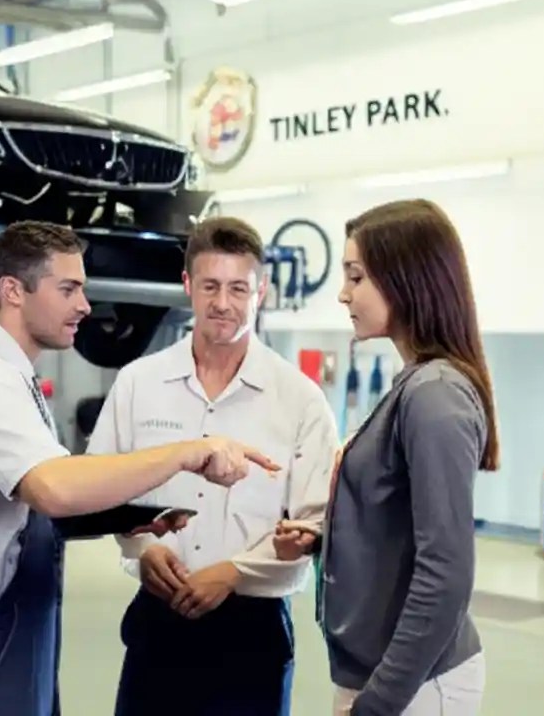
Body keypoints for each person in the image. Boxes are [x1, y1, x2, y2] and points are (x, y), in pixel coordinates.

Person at [0, 220, 281, 716]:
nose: (85, 306)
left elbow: (36, 504)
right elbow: (52, 489)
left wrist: (127, 517)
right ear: (11, 291)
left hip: (17, 622)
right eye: (68, 289)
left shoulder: (9, 376)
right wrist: (186, 453)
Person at [86, 216, 340, 716]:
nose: (223, 303)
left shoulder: (300, 400)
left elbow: (315, 519)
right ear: (188, 286)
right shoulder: (139, 383)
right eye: (210, 286)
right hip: (158, 617)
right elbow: (101, 487)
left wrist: (233, 572)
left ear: (260, 290)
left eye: (238, 288)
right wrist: (143, 549)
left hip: (253, 631)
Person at [284, 199, 496, 716]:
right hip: (381, 673)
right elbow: (397, 519)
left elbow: (445, 573)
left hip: (413, 685)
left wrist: (379, 703)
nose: (342, 294)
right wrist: (328, 540)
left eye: (356, 277)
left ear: (406, 279)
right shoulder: (415, 385)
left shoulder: (435, 394)